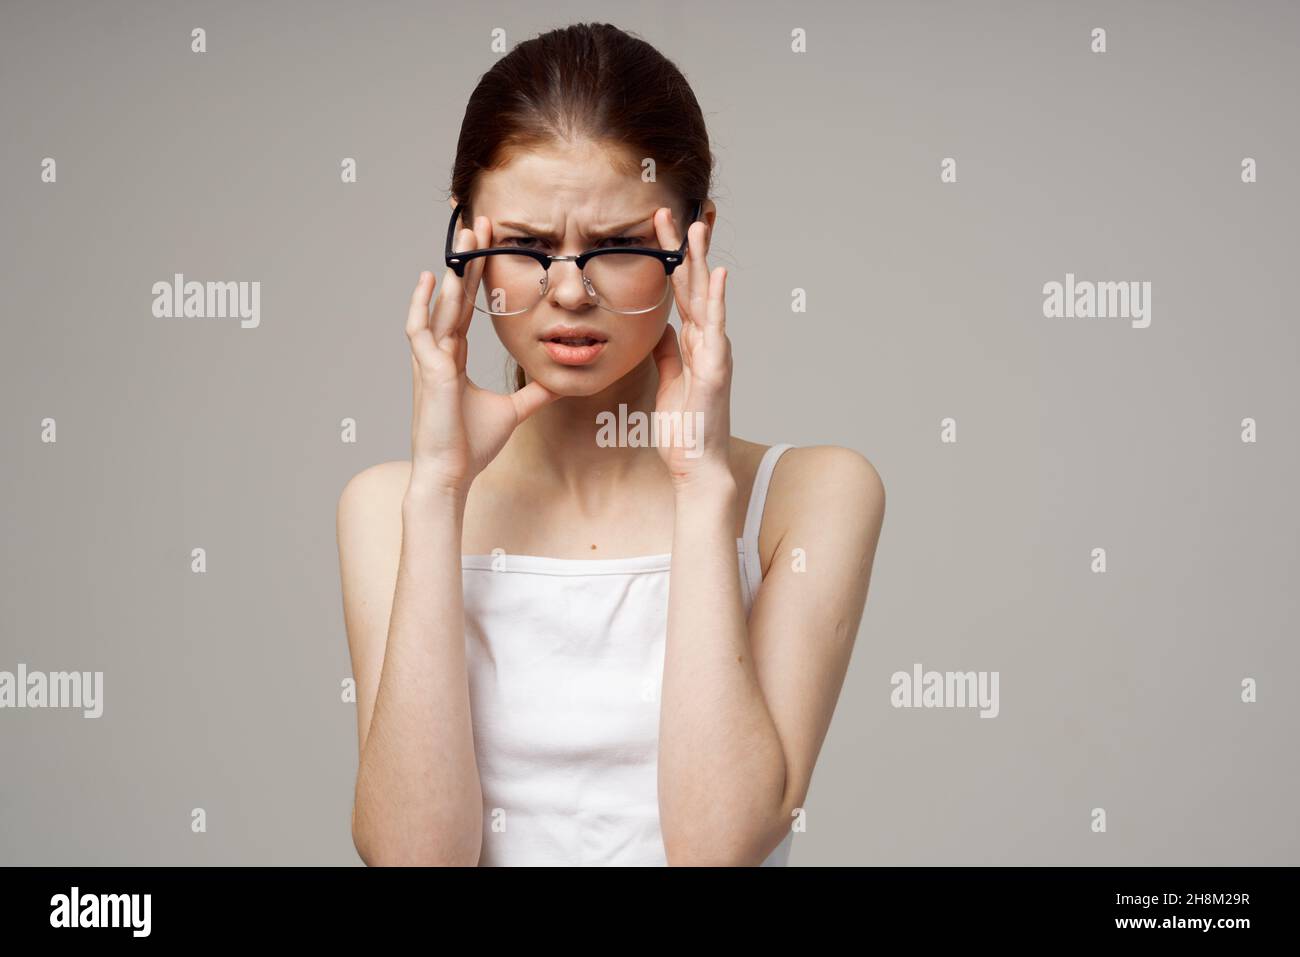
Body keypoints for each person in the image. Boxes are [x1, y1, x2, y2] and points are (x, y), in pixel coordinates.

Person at [336, 21, 885, 866]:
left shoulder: (810, 496)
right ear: (466, 245)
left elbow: (719, 846)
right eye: (525, 246)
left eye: (618, 246)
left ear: (691, 240)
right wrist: (440, 491)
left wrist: (701, 487)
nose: (567, 291)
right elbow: (414, 856)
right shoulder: (387, 505)